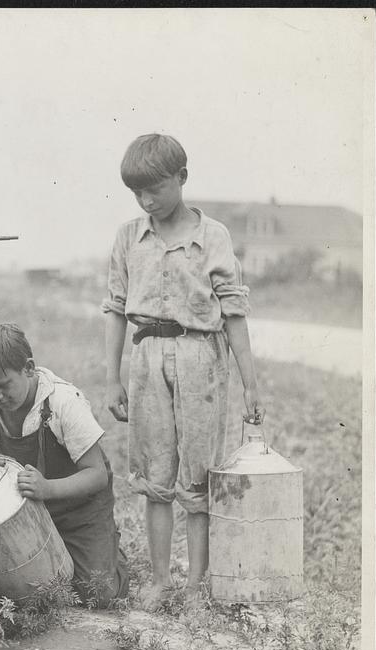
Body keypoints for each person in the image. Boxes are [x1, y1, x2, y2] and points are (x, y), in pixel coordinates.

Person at [102, 133, 265, 611]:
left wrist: (250, 384)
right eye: (137, 192)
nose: (147, 200)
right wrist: (112, 376)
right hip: (146, 358)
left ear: (182, 179)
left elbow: (233, 311)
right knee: (156, 474)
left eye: (156, 188)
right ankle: (158, 581)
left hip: (201, 357)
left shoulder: (212, 236)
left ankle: (195, 586)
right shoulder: (129, 236)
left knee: (197, 474)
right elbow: (114, 307)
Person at [0, 322, 129, 608]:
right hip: (28, 512)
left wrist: (47, 488)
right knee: (18, 593)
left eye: (3, 386)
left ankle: (112, 554)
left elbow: (97, 475)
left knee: (97, 594)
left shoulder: (63, 401)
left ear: (28, 368)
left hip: (81, 511)